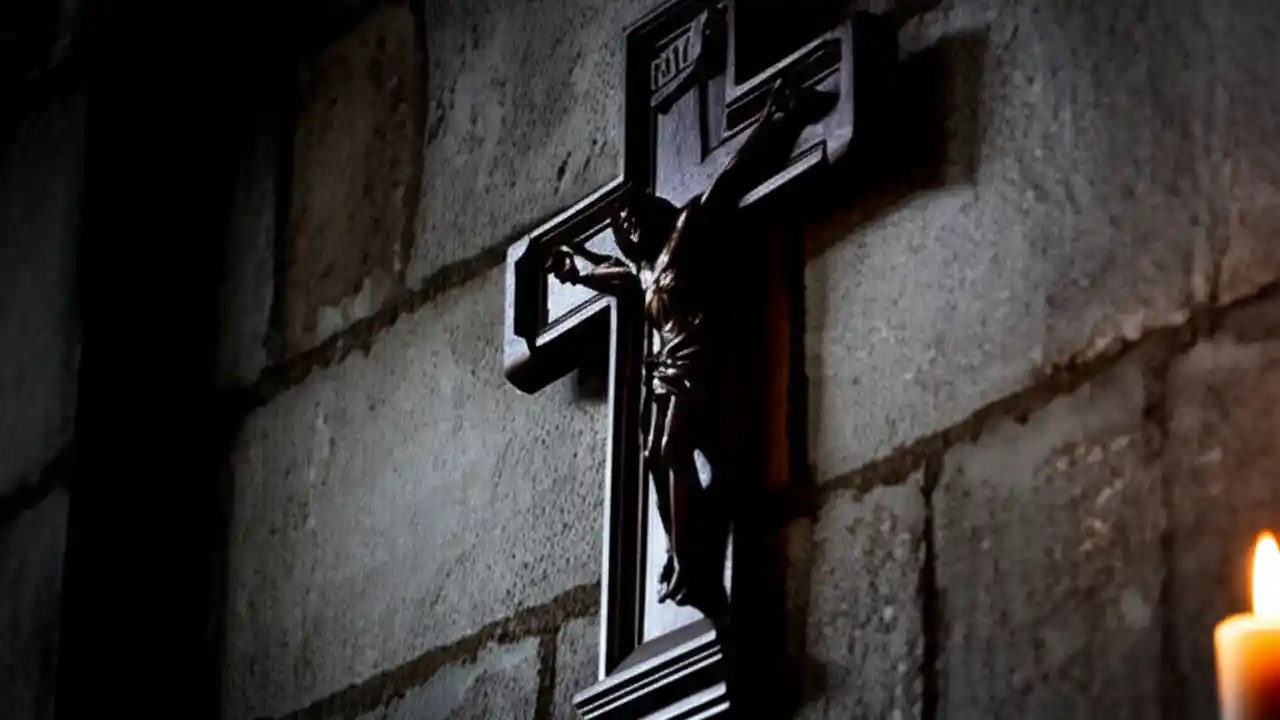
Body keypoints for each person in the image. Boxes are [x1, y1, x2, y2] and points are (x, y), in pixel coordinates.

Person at [549, 78, 833, 611]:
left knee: (673, 449)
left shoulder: (690, 227)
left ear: (655, 210)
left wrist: (779, 117)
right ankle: (685, 553)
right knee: (654, 455)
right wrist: (576, 267)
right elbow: (611, 274)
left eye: (633, 213)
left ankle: (694, 563)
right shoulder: (644, 271)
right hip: (665, 370)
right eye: (622, 225)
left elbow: (734, 179)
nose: (628, 224)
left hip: (700, 360)